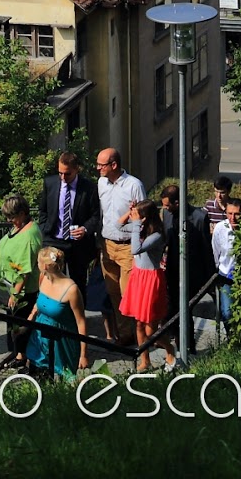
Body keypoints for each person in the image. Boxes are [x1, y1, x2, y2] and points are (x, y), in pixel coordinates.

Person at [96, 146, 145, 346]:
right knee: (113, 291)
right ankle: (125, 334)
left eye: (102, 164)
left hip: (127, 247)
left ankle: (139, 334)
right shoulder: (101, 183)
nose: (98, 168)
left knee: (127, 293)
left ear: (114, 165)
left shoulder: (133, 185)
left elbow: (144, 215)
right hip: (107, 246)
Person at [119, 199, 173, 373]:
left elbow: (136, 249)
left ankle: (170, 350)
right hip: (138, 276)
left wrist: (135, 225)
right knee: (139, 324)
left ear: (147, 217)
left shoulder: (156, 235)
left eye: (140, 216)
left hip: (150, 279)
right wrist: (130, 213)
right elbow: (118, 226)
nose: (137, 219)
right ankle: (145, 360)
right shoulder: (140, 228)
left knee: (151, 330)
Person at [159, 183, 214, 353]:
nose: (165, 208)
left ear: (178, 203)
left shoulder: (199, 217)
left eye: (168, 205)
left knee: (185, 310)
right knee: (172, 308)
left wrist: (209, 277)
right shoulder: (167, 216)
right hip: (172, 271)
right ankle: (175, 342)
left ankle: (188, 347)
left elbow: (206, 249)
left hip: (193, 273)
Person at [36, 151, 100, 294]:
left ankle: (77, 315)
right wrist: (44, 229)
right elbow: (43, 210)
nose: (63, 178)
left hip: (77, 244)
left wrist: (85, 229)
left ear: (77, 169)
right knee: (52, 281)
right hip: (53, 240)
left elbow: (96, 216)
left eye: (67, 174)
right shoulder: (50, 183)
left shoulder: (89, 188)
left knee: (78, 284)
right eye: (60, 173)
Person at [25, 246, 89, 380]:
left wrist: (83, 354)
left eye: (38, 262)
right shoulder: (43, 277)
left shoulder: (71, 289)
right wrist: (27, 322)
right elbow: (39, 303)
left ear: (46, 266)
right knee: (38, 376)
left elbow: (81, 321)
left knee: (64, 378)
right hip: (41, 336)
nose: (36, 265)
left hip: (62, 341)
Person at [0, 193, 43, 363]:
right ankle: (18, 353)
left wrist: (15, 294)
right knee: (13, 323)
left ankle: (23, 356)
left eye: (12, 216)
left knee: (21, 325)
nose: (9, 220)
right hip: (8, 285)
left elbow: (24, 270)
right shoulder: (19, 227)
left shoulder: (29, 235)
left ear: (22, 213)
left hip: (20, 290)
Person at [212, 197, 241, 331]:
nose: (233, 218)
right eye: (230, 213)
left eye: (236, 214)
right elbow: (215, 251)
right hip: (225, 275)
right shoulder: (220, 228)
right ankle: (231, 337)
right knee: (227, 311)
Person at [203, 175, 233, 240]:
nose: (218, 196)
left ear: (229, 191)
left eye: (222, 193)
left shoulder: (233, 207)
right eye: (216, 192)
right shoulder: (209, 206)